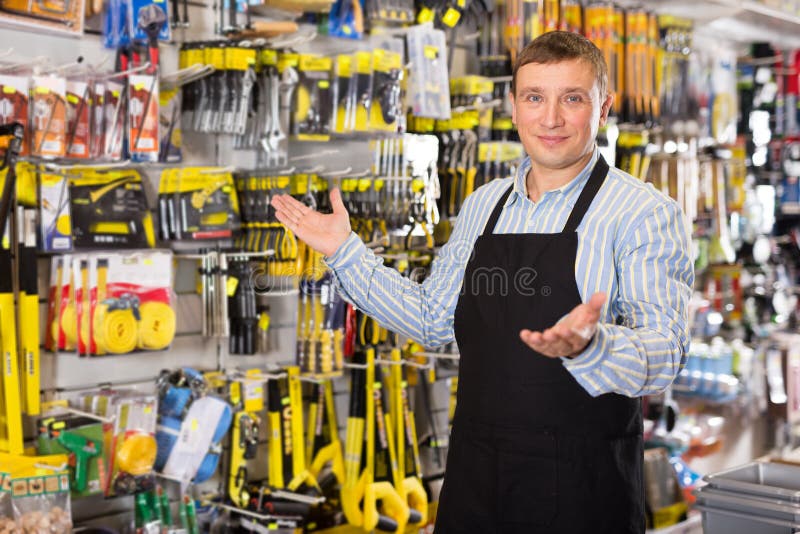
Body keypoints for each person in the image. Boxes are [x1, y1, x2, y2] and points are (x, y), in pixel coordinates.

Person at [271, 31, 694, 534]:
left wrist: (592, 347)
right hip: (476, 487)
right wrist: (346, 253)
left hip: (583, 496)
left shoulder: (643, 213)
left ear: (603, 110)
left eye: (573, 99)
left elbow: (666, 351)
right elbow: (433, 318)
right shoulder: (483, 205)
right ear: (514, 107)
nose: (551, 118)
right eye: (535, 97)